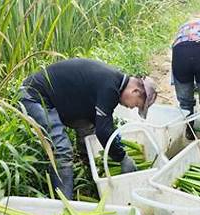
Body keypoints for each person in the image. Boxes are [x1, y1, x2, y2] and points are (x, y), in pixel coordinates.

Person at [19, 58, 157, 199]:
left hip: (55, 100)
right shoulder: (110, 86)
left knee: (88, 129)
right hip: (34, 96)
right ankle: (64, 203)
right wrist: (122, 158)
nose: (132, 107)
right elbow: (103, 131)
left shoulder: (113, 82)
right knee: (62, 148)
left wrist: (114, 140)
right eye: (137, 105)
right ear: (135, 91)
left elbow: (100, 123)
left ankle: (90, 177)